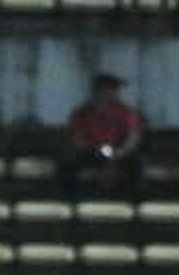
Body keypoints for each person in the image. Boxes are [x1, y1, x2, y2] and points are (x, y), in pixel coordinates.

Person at [57, 72, 145, 200]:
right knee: (67, 161)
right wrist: (95, 149)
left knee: (136, 163)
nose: (116, 92)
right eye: (112, 89)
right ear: (99, 91)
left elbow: (133, 137)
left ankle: (136, 201)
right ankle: (68, 199)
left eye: (116, 89)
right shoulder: (81, 113)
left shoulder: (127, 113)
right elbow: (77, 138)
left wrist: (120, 152)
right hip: (91, 153)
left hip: (120, 153)